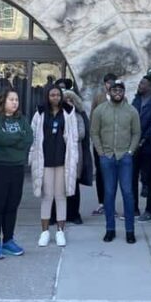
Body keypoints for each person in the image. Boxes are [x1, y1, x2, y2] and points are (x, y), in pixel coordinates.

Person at [91, 79, 140, 244]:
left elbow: (136, 133)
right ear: (109, 92)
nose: (117, 93)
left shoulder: (132, 111)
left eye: (120, 90)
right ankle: (110, 229)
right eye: (114, 90)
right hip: (107, 157)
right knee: (109, 194)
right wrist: (100, 153)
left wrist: (130, 151)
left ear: (124, 92)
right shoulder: (100, 110)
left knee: (128, 193)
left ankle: (130, 230)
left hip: (125, 157)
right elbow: (94, 132)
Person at [0, 88, 33, 260]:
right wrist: (17, 138)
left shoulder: (22, 119)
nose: (15, 102)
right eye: (11, 99)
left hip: (16, 167)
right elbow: (0, 138)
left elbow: (29, 137)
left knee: (12, 204)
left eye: (17, 99)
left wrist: (15, 139)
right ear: (3, 101)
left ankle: (8, 239)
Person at [30, 85, 79, 247]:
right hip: (45, 160)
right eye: (52, 95)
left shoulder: (69, 112)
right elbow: (33, 136)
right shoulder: (40, 112)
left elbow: (74, 137)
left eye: (58, 95)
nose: (56, 97)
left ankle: (60, 232)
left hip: (62, 160)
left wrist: (74, 159)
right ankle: (44, 232)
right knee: (47, 196)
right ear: (47, 96)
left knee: (60, 196)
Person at [131, 75, 151, 222]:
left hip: (149, 147)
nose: (140, 85)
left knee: (150, 179)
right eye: (140, 82)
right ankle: (134, 208)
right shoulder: (136, 100)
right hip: (133, 145)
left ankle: (150, 210)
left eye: (143, 83)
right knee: (131, 177)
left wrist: (142, 141)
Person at [63, 89, 92, 225]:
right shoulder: (59, 115)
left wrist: (66, 135)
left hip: (76, 153)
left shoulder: (78, 116)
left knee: (74, 184)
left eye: (71, 100)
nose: (69, 103)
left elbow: (81, 134)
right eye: (66, 100)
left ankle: (74, 213)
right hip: (61, 154)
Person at [90, 73, 116, 216]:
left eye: (112, 82)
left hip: (115, 142)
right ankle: (102, 203)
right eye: (107, 82)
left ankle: (110, 203)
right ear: (104, 84)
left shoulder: (121, 98)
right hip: (99, 142)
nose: (110, 85)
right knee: (100, 173)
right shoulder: (98, 98)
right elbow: (92, 117)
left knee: (112, 173)